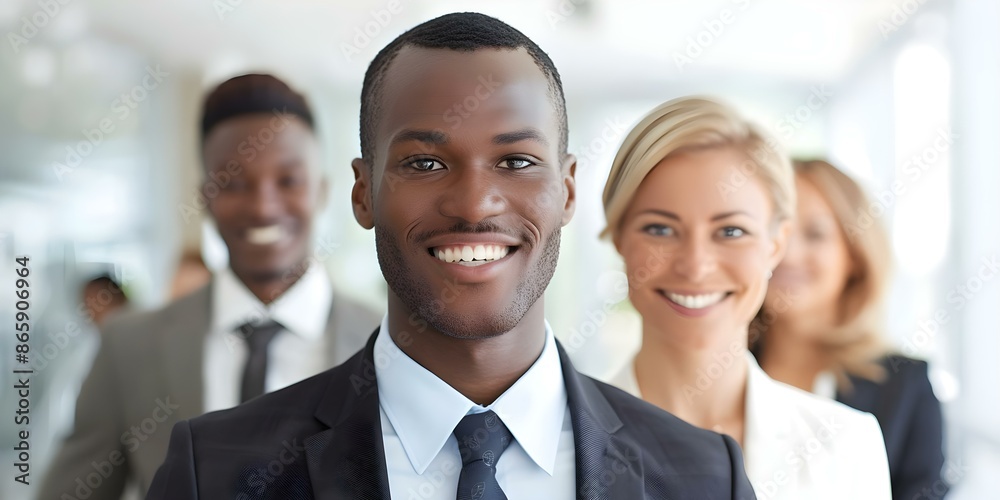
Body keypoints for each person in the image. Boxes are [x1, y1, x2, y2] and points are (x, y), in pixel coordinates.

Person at [147, 13, 756, 499]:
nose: (473, 204)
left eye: (516, 162)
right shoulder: (217, 472)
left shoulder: (703, 478)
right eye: (425, 164)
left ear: (568, 191)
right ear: (364, 193)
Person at [37, 74, 379, 500]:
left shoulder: (390, 342)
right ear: (205, 196)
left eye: (288, 181)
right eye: (235, 183)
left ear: (324, 191)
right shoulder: (129, 346)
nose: (263, 206)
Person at [603, 97, 892, 499]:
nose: (696, 266)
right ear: (619, 237)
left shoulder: (845, 445)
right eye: (660, 229)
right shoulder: (555, 443)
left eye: (731, 232)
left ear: (776, 245)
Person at [754, 159, 947, 500]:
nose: (787, 253)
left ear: (855, 256)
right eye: (773, 230)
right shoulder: (719, 374)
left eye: (815, 234)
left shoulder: (905, 387)